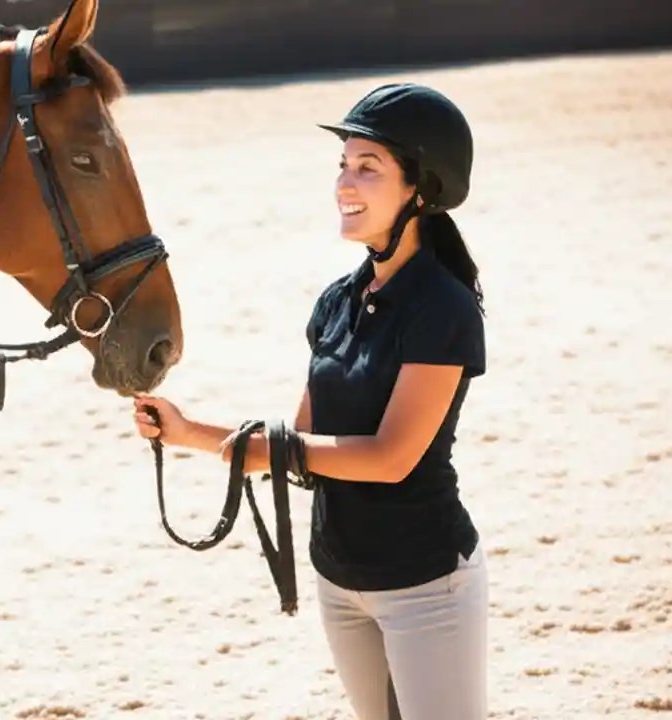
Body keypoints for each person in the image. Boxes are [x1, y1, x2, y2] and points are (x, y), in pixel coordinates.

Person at [132, 83, 489, 719]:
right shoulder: (336, 303)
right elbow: (300, 441)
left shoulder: (443, 308)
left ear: (420, 189)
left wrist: (277, 449)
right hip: (338, 576)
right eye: (343, 166)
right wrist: (185, 432)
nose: (345, 184)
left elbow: (391, 458)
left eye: (368, 168)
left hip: (425, 584)